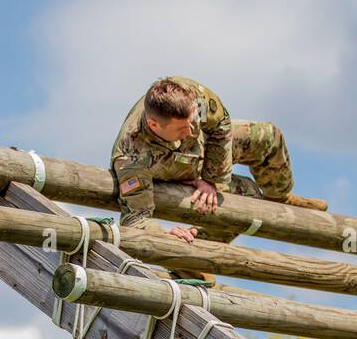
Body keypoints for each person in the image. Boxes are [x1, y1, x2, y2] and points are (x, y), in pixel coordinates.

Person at [110, 76, 324, 245]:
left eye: (192, 121)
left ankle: (280, 196)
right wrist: (165, 234)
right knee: (248, 196)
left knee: (269, 137)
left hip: (208, 151)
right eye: (181, 128)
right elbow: (136, 219)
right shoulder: (130, 156)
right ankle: (193, 260)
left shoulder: (191, 95)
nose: (191, 129)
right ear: (154, 125)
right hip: (173, 171)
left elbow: (221, 123)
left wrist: (212, 179)